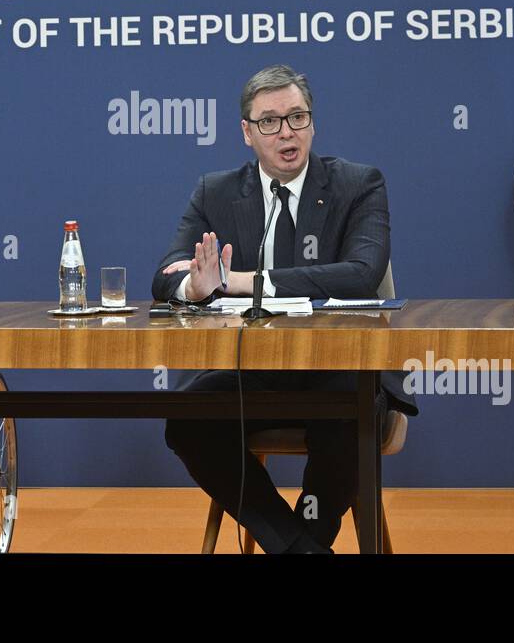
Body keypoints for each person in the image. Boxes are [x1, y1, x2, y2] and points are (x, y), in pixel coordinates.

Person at [152, 64, 414, 554]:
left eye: (297, 117)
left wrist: (249, 284)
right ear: (247, 134)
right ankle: (297, 547)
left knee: (346, 411)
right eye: (269, 122)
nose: (286, 132)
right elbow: (166, 274)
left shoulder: (358, 185)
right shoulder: (217, 191)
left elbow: (360, 273)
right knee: (189, 417)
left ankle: (305, 539)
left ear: (313, 124)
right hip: (258, 369)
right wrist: (195, 284)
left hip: (343, 365)